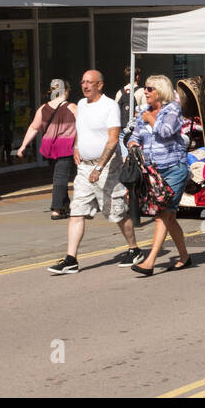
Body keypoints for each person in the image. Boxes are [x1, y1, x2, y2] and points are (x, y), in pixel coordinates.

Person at [47, 70, 142, 274]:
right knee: (77, 210)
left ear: (100, 85)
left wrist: (99, 167)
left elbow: (113, 139)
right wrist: (76, 147)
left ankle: (134, 249)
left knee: (116, 212)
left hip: (107, 167)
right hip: (84, 167)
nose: (85, 86)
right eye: (82, 82)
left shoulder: (109, 106)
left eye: (90, 82)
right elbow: (82, 129)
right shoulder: (81, 105)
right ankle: (71, 259)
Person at [125, 75, 191, 275]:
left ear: (160, 91)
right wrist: (133, 144)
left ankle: (149, 261)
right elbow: (134, 136)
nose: (145, 91)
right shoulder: (142, 111)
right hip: (153, 171)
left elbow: (166, 131)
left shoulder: (173, 109)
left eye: (149, 88)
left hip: (174, 168)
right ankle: (184, 257)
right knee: (169, 217)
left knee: (162, 214)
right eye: (145, 88)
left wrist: (151, 119)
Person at [18, 78, 79, 220]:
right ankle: (56, 209)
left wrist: (23, 146)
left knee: (58, 175)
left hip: (49, 147)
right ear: (65, 91)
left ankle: (65, 206)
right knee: (61, 178)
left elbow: (34, 127)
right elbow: (83, 126)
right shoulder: (72, 107)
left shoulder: (43, 108)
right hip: (66, 146)